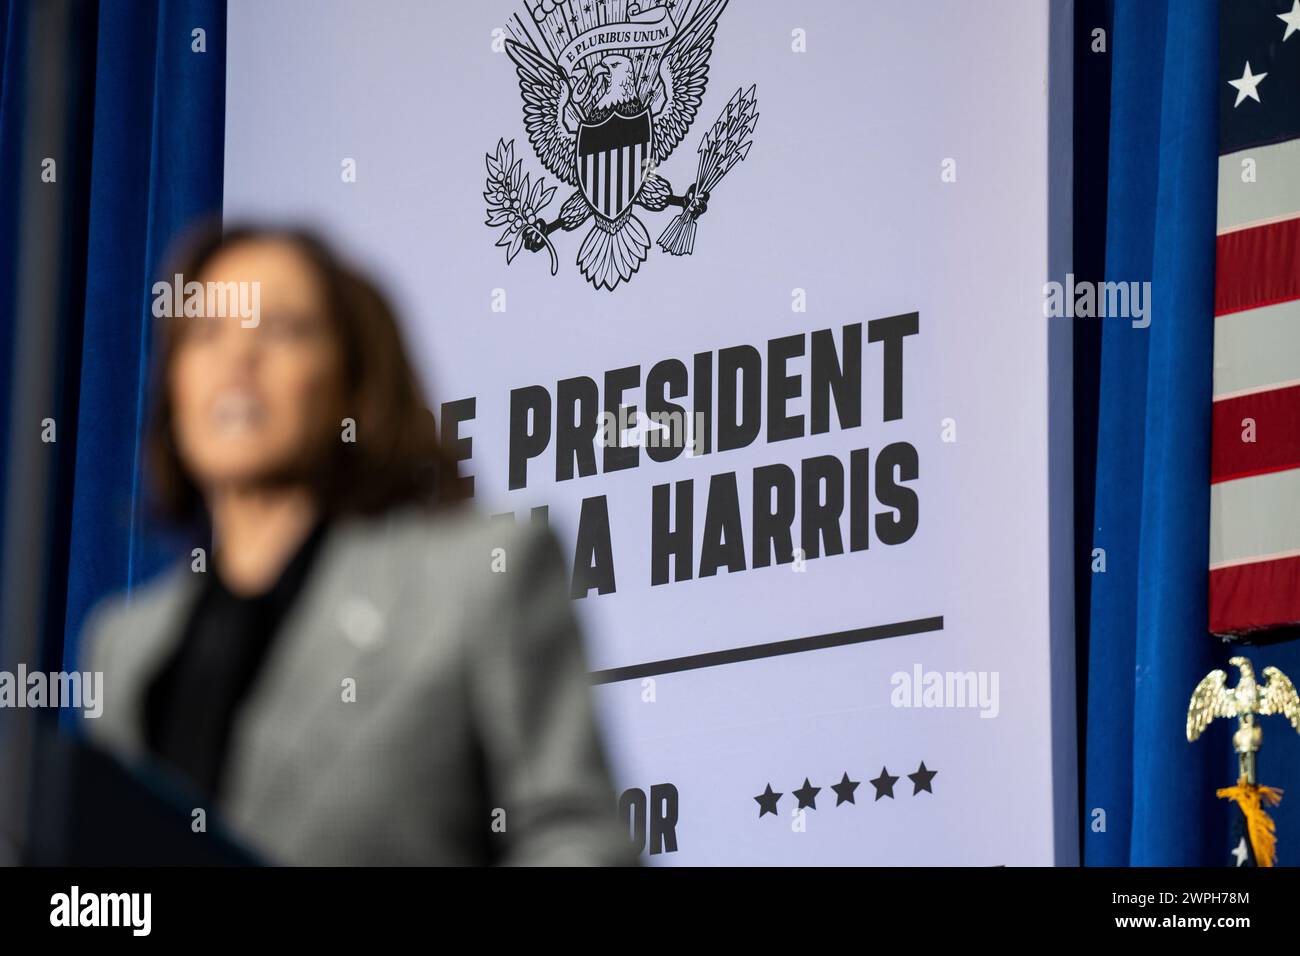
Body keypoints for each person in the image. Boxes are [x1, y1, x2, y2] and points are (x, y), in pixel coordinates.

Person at [79, 223, 635, 866]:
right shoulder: (124, 647)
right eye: (206, 333)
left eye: (282, 329)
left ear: (352, 381)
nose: (238, 359)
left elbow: (577, 841)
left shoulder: (483, 575)